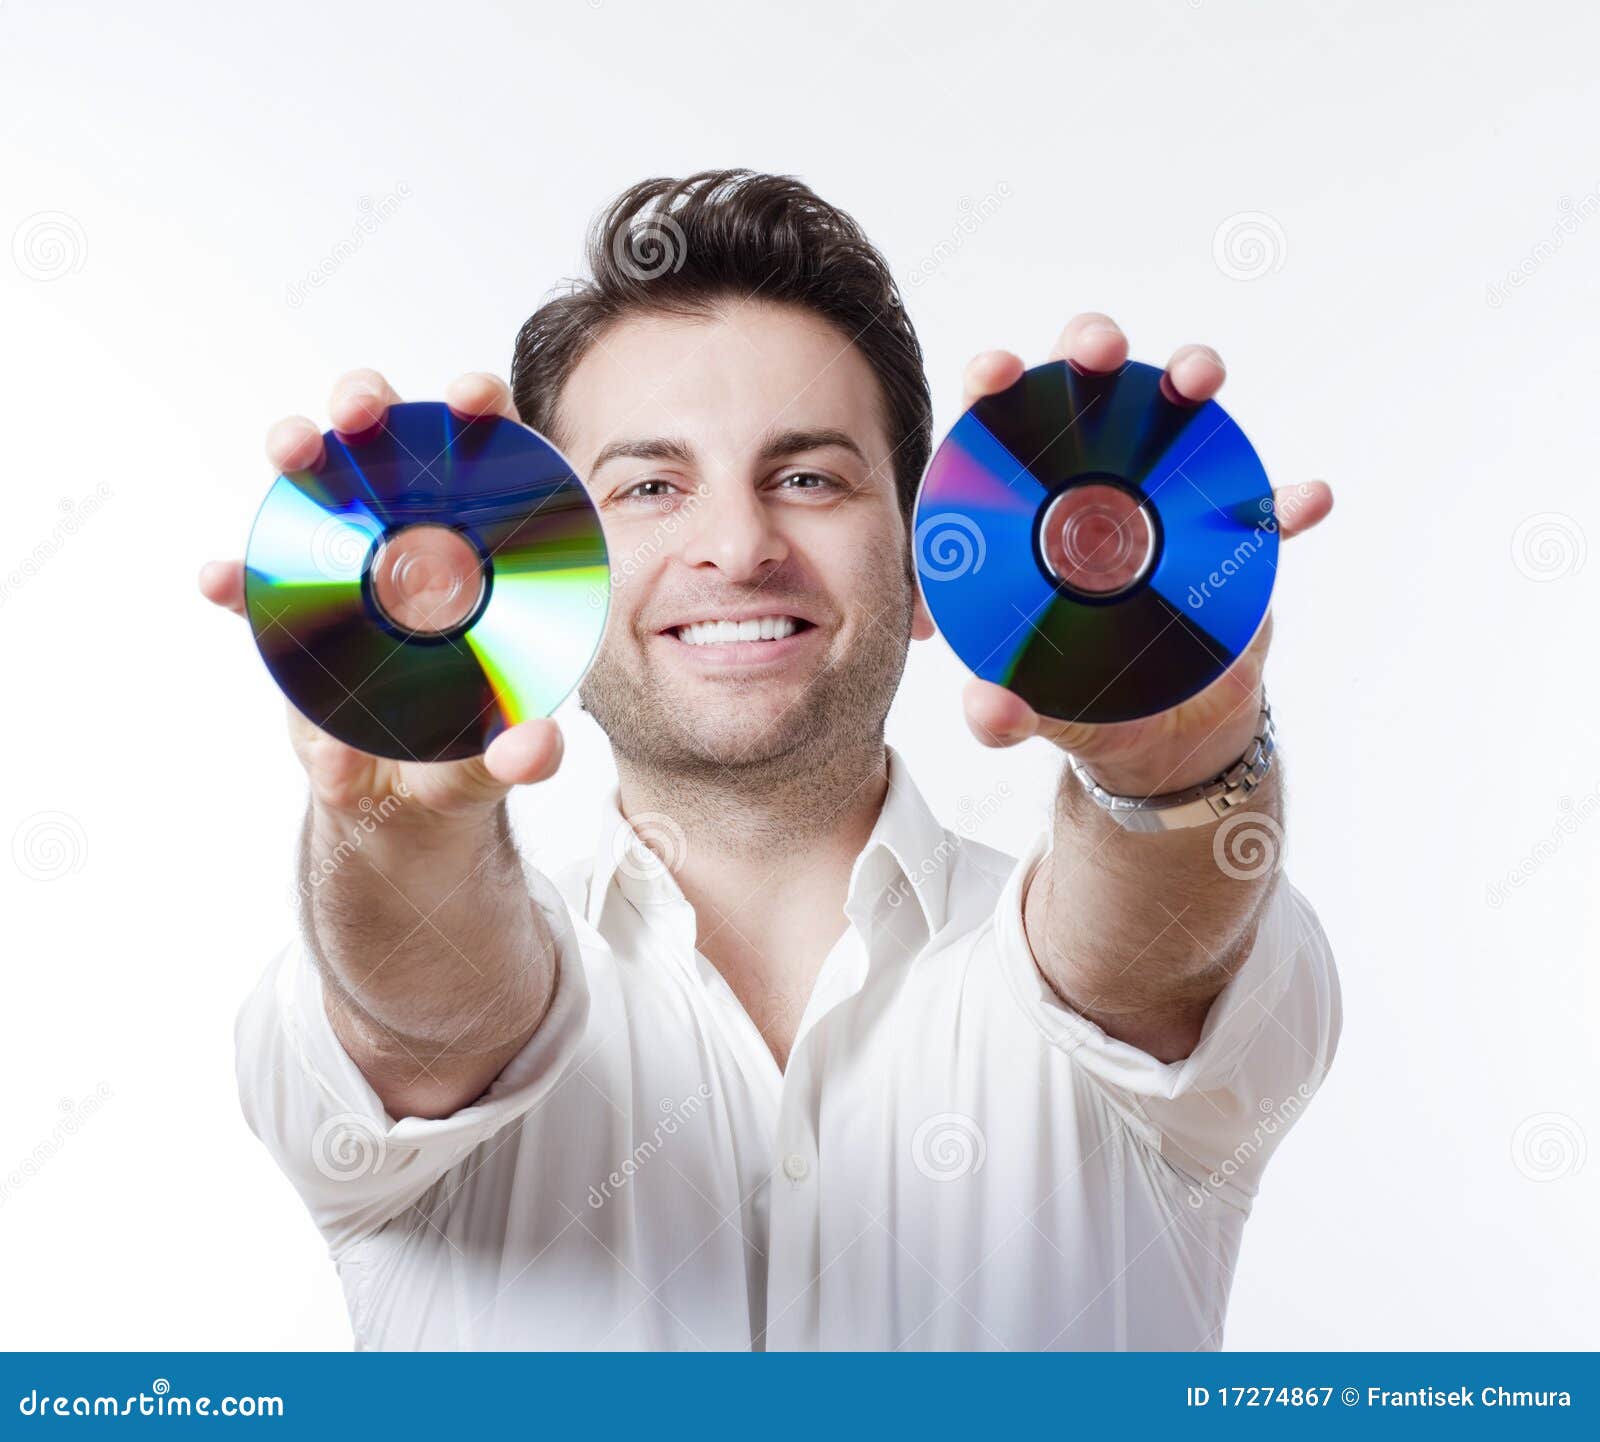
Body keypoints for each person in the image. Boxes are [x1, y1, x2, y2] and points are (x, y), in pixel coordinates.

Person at [201, 169, 1340, 1351]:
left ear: (925, 561)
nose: (739, 546)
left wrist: (1175, 780)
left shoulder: (1109, 973)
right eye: (650, 485)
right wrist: (406, 831)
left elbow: (1146, 967)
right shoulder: (376, 1003)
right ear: (554, 569)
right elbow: (426, 1024)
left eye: (807, 478)